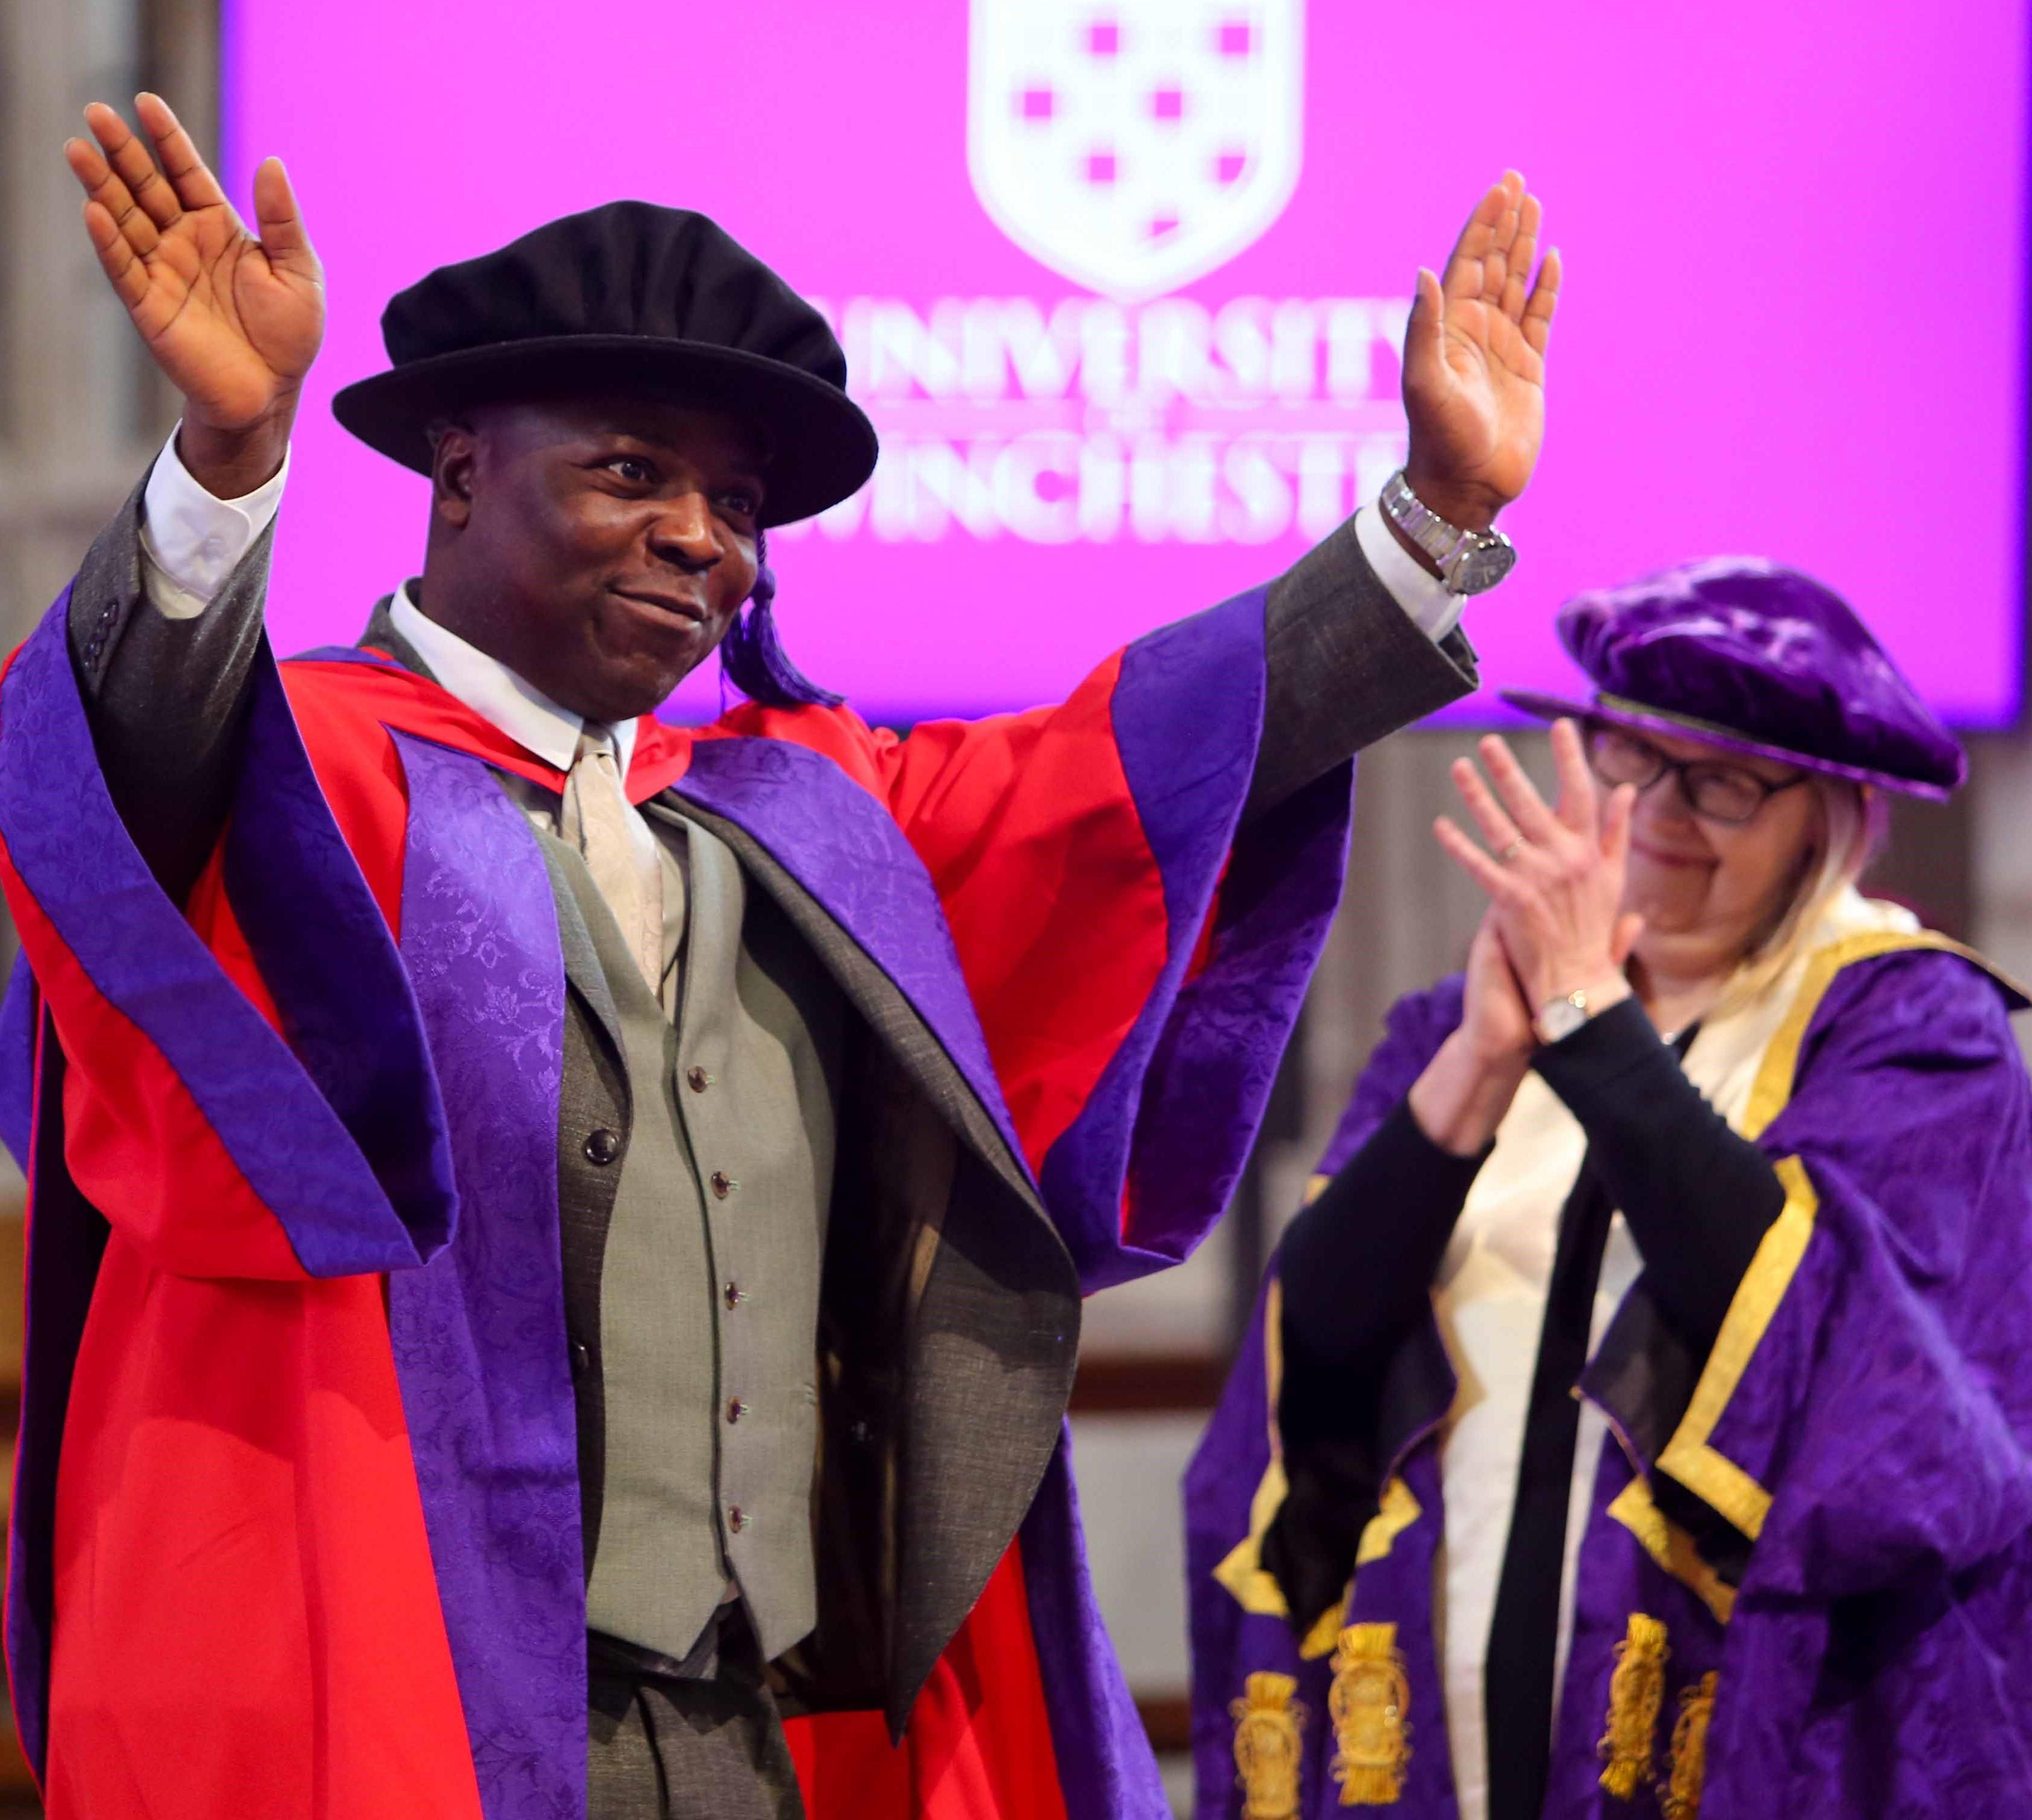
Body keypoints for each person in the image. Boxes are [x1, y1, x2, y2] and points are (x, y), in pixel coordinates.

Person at [0, 95, 1560, 1820]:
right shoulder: (305, 780)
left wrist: (1425, 522)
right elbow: (127, 778)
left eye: (734, 503)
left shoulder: (799, 815)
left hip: (755, 1733)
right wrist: (227, 466)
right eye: (631, 472)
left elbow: (1123, 775)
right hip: (403, 1685)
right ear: (459, 472)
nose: (702, 538)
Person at [1187, 558, 2032, 1819]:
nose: (1661, 815)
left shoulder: (1912, 1027)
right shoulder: (1451, 1026)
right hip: (1439, 1724)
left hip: (1755, 1727)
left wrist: (1588, 1017)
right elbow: (1313, 1342)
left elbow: (1828, 1355)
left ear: (1833, 811)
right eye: (1629, 759)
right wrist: (1477, 1070)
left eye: (1723, 782)